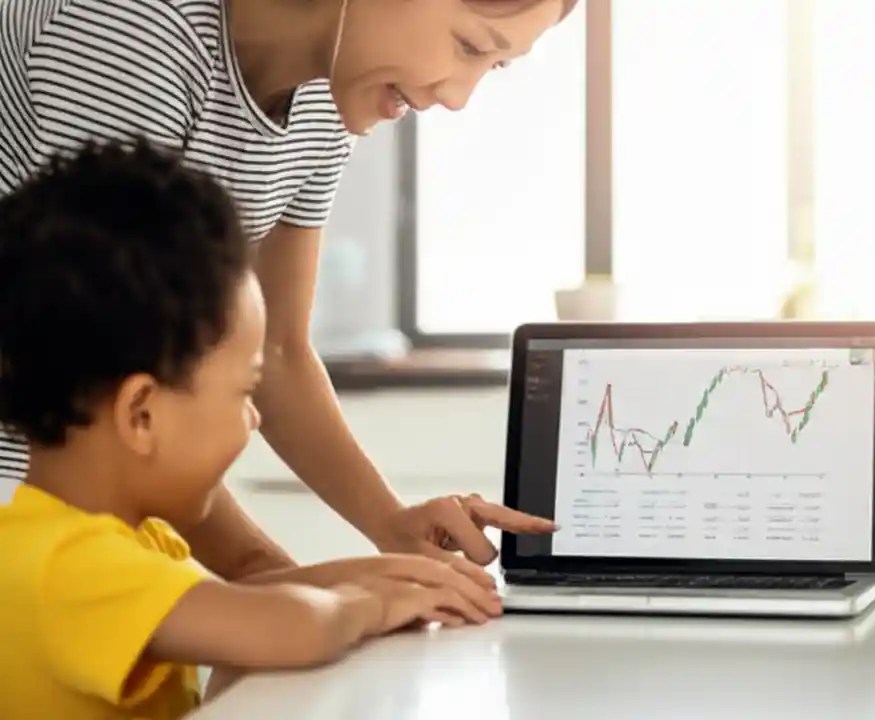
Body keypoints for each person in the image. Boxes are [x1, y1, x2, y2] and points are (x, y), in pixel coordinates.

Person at [0, 0, 576, 588]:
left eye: (496, 67)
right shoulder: (134, 30)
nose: (458, 97)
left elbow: (277, 349)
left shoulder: (328, 99)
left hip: (79, 497)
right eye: (471, 47)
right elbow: (100, 382)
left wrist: (391, 524)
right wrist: (280, 584)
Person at [0, 138, 508, 719]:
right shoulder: (65, 567)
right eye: (245, 391)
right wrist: (372, 605)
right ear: (141, 414)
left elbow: (238, 602)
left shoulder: (125, 542)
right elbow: (287, 626)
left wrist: (403, 575)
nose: (256, 417)